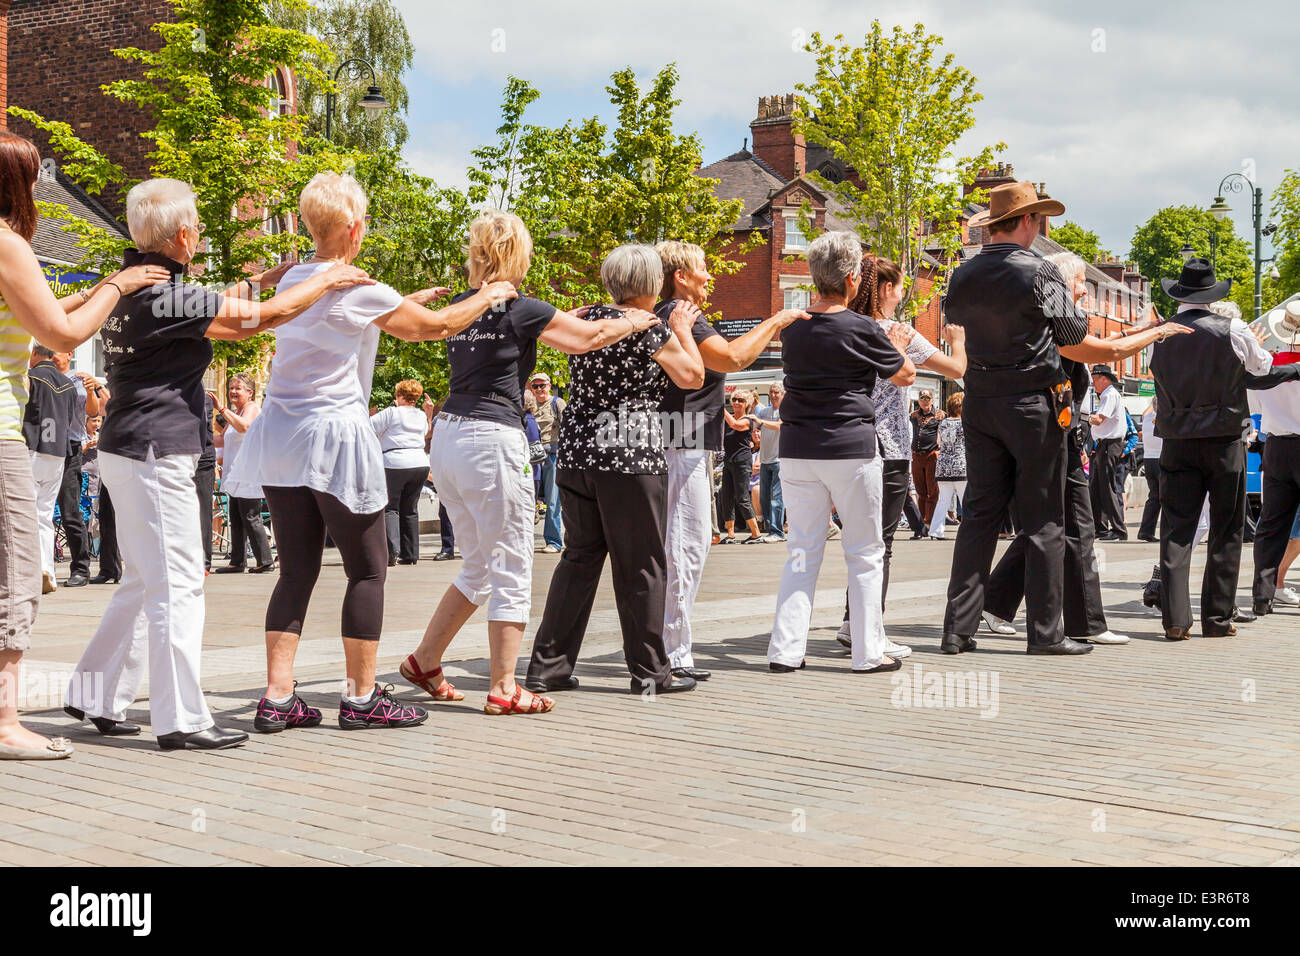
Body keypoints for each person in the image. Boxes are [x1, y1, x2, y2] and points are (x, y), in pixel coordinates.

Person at [63, 176, 373, 751]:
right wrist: (327, 276)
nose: (202, 231)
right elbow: (265, 319)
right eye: (199, 224)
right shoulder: (168, 294)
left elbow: (222, 303)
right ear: (182, 236)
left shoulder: (132, 286)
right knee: (179, 583)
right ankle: (180, 718)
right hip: (158, 450)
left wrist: (260, 281)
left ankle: (92, 693)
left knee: (142, 579)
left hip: (127, 447)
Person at [223, 173, 518, 733]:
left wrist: (402, 302)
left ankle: (277, 696)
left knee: (296, 570)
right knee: (366, 570)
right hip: (334, 438)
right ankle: (361, 697)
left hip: (282, 436)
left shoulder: (296, 279)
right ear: (356, 227)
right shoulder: (360, 287)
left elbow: (333, 322)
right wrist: (488, 294)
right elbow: (435, 329)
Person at [400, 211, 662, 714]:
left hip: (449, 436)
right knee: (512, 564)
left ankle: (425, 660)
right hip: (492, 438)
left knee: (477, 565)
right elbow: (586, 339)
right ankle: (503, 687)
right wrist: (631, 319)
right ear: (519, 254)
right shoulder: (522, 308)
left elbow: (418, 332)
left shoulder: (462, 305)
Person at [0, 129, 173, 759]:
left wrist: (101, 285)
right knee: (17, 572)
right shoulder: (7, 241)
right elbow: (61, 329)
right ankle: (4, 722)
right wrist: (120, 286)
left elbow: (38, 310)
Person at [941, 181, 1123, 656]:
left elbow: (955, 325)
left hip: (980, 402)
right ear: (1027, 221)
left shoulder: (960, 275)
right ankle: (1045, 633)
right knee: (1044, 519)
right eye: (1040, 220)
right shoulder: (1040, 271)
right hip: (1031, 405)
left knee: (979, 516)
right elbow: (1074, 335)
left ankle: (957, 630)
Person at [526, 244, 705, 694]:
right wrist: (682, 329)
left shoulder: (586, 322)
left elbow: (549, 331)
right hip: (629, 453)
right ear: (651, 285)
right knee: (642, 564)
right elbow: (692, 376)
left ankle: (548, 667)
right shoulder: (648, 327)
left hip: (578, 451)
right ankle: (649, 671)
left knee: (579, 558)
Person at [980, 251, 1180, 645]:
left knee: (1061, 526)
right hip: (1054, 432)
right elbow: (1102, 352)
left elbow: (1099, 342)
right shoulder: (1051, 323)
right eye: (1078, 285)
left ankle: (1000, 603)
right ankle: (1080, 622)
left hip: (1064, 434)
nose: (1084, 292)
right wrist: (1158, 333)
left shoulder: (1061, 319)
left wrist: (1136, 329)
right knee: (1067, 526)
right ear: (1059, 284)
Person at [654, 240, 808, 682]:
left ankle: (668, 645)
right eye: (702, 268)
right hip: (680, 446)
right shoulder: (683, 316)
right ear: (681, 276)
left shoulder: (671, 316)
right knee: (686, 546)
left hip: (681, 443)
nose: (709, 275)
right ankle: (673, 652)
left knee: (686, 545)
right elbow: (734, 357)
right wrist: (777, 319)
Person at [768, 231, 916, 674]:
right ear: (853, 279)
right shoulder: (863, 327)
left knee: (802, 549)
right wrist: (899, 346)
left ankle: (785, 650)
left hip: (797, 446)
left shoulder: (793, 326)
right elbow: (905, 374)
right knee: (865, 551)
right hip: (850, 446)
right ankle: (867, 652)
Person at [1149, 258, 1290, 639]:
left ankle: (1175, 620)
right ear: (1211, 296)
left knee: (1177, 528)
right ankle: (1217, 618)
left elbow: (1156, 375)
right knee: (1226, 530)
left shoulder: (1158, 334)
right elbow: (1261, 369)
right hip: (1224, 439)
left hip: (1176, 440)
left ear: (1179, 294)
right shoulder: (1233, 328)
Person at [833, 252, 966, 654]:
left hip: (846, 444)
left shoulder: (845, 327)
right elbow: (955, 369)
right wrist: (958, 340)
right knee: (881, 543)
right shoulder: (899, 332)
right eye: (902, 285)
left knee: (860, 540)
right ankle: (867, 629)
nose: (904, 291)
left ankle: (850, 621)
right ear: (887, 289)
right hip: (888, 448)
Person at [1250, 301, 1300, 615]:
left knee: (1271, 524)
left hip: (1278, 447)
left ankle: (1263, 593)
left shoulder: (1268, 364)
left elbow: (1255, 408)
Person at [23, 345, 76, 594]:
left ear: (34, 353)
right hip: (57, 453)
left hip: (31, 448)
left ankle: (29, 573)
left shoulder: (29, 377)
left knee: (25, 514)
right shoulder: (68, 384)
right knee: (45, 516)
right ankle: (48, 571)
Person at [211, 372, 274, 573]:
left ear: (250, 393)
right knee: (236, 517)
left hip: (248, 473)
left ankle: (265, 560)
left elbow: (245, 427)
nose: (233, 392)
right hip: (235, 474)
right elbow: (221, 440)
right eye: (231, 388)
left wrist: (221, 409)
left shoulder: (252, 409)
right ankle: (237, 561)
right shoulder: (235, 412)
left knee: (250, 516)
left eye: (238, 388)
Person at [55, 352, 103, 587]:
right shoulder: (38, 375)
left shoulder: (79, 379)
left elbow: (93, 412)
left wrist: (92, 389)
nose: (52, 355)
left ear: (69, 354)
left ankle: (81, 568)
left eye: (56, 351)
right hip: (41, 446)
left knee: (70, 510)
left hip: (71, 448)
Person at [371, 379, 431, 565]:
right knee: (410, 509)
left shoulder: (391, 413)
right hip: (419, 462)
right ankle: (411, 554)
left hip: (395, 462)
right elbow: (426, 433)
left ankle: (392, 552)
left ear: (399, 395)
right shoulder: (420, 415)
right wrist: (428, 414)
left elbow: (367, 427)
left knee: (390, 508)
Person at [1088, 364, 1128, 541]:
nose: (1093, 383)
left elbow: (1098, 420)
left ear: (1104, 378)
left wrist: (1081, 416)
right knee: (1096, 488)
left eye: (1095, 379)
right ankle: (1100, 528)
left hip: (1109, 445)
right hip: (1104, 445)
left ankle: (1119, 529)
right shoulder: (1106, 395)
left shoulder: (1110, 395)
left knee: (1107, 488)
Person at [719, 388, 762, 543]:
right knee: (726, 497)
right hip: (729, 461)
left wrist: (720, 408)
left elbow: (735, 424)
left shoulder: (747, 420)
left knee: (742, 498)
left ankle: (756, 534)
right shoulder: (727, 420)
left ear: (747, 404)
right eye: (735, 399)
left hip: (742, 462)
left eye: (741, 400)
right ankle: (730, 534)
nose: (737, 402)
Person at [528, 371, 566, 553]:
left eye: (542, 385)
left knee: (552, 500)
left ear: (549, 386)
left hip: (552, 454)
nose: (539, 389)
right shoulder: (529, 405)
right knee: (528, 499)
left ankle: (554, 542)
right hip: (531, 457)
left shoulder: (557, 403)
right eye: (535, 386)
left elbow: (568, 428)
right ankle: (525, 540)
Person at [927, 392, 966, 540]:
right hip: (960, 465)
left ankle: (935, 531)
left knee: (943, 500)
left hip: (943, 466)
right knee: (966, 500)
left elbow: (939, 443)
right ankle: (969, 531)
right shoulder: (964, 423)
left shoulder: (942, 423)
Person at [754, 382, 784, 540]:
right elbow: (756, 431)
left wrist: (761, 423)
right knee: (764, 498)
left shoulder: (785, 411)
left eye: (776, 392)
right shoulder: (764, 411)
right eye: (771, 392)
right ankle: (770, 529)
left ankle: (777, 532)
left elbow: (780, 426)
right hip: (765, 460)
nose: (773, 395)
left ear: (783, 394)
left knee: (776, 498)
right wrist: (755, 435)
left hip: (779, 460)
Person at [910, 389, 944, 524]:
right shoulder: (913, 415)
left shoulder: (940, 415)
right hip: (916, 456)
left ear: (932, 400)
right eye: (922, 398)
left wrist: (940, 450)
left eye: (927, 398)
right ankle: (921, 522)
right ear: (918, 400)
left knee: (932, 490)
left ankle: (930, 521)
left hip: (931, 455)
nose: (925, 401)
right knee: (920, 490)